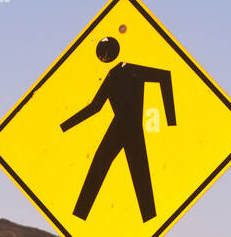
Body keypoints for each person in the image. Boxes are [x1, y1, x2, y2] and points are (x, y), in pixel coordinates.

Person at [60, 36, 176, 222]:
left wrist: (171, 119)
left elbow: (164, 76)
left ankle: (148, 217)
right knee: (111, 167)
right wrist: (65, 126)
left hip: (128, 126)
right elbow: (95, 107)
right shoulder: (112, 75)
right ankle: (81, 215)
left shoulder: (131, 70)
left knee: (136, 171)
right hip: (123, 126)